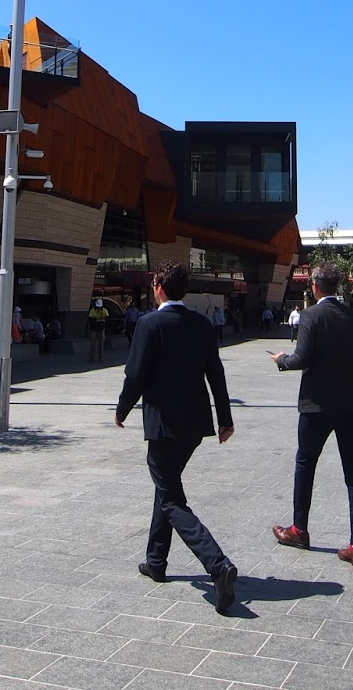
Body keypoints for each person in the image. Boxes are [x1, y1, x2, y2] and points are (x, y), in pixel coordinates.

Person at [114, 260, 238, 614]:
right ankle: (156, 561)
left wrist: (122, 409)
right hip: (195, 424)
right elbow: (216, 374)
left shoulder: (149, 324)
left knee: (170, 498)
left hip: (163, 424)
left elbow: (135, 373)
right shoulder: (201, 324)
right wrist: (225, 419)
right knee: (166, 486)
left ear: (159, 287)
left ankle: (218, 565)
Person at [269, 262, 353, 568]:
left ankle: (299, 529)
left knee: (306, 463)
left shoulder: (311, 315)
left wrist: (281, 360)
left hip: (317, 405)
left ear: (315, 286)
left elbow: (301, 359)